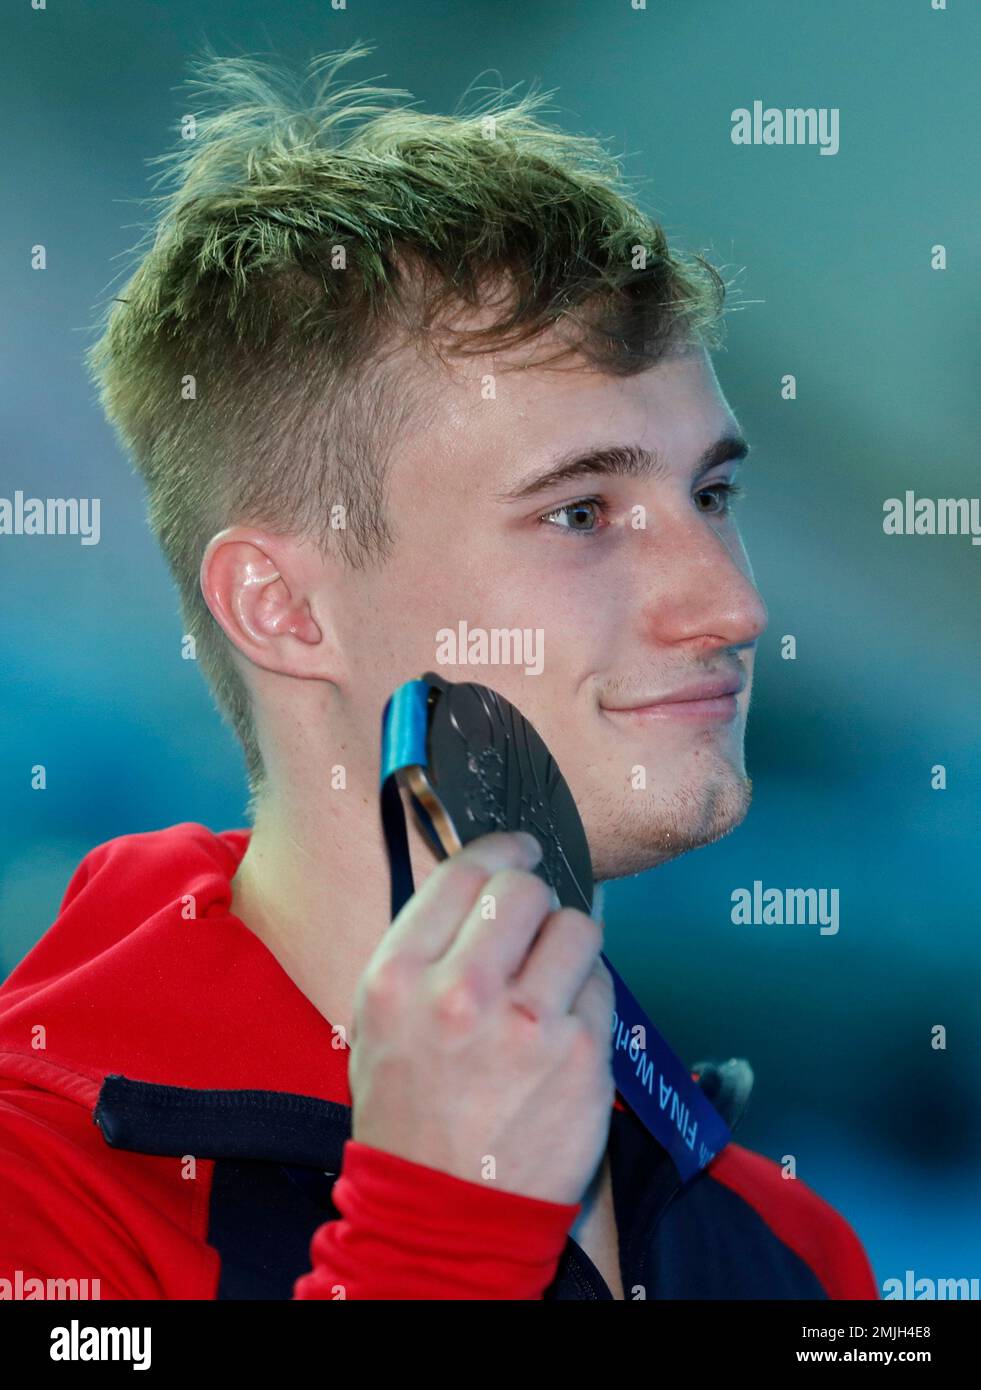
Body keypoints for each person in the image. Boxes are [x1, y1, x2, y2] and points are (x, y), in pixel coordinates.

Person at [0, 44, 877, 1301]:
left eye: (712, 492)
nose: (735, 606)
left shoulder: (791, 1246)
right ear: (284, 605)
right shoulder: (40, 1203)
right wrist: (439, 1239)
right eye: (582, 511)